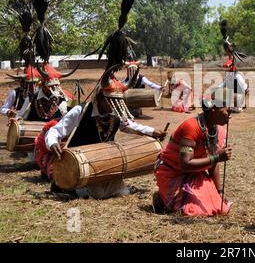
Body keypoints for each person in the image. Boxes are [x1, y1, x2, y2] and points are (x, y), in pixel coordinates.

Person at [37, 66, 168, 199]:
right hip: (78, 166)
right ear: (99, 97)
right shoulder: (80, 111)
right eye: (110, 101)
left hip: (105, 165)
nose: (113, 106)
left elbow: (131, 126)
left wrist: (152, 132)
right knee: (96, 194)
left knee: (120, 192)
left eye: (116, 102)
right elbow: (55, 131)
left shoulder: (115, 112)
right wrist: (52, 143)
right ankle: (66, 187)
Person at [154, 88, 233, 216]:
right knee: (193, 211)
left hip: (196, 174)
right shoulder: (191, 127)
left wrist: (219, 192)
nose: (229, 113)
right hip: (173, 172)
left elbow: (213, 166)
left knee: (220, 209)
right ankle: (161, 199)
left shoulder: (219, 131)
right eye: (226, 109)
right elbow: (185, 163)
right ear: (213, 109)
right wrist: (217, 157)